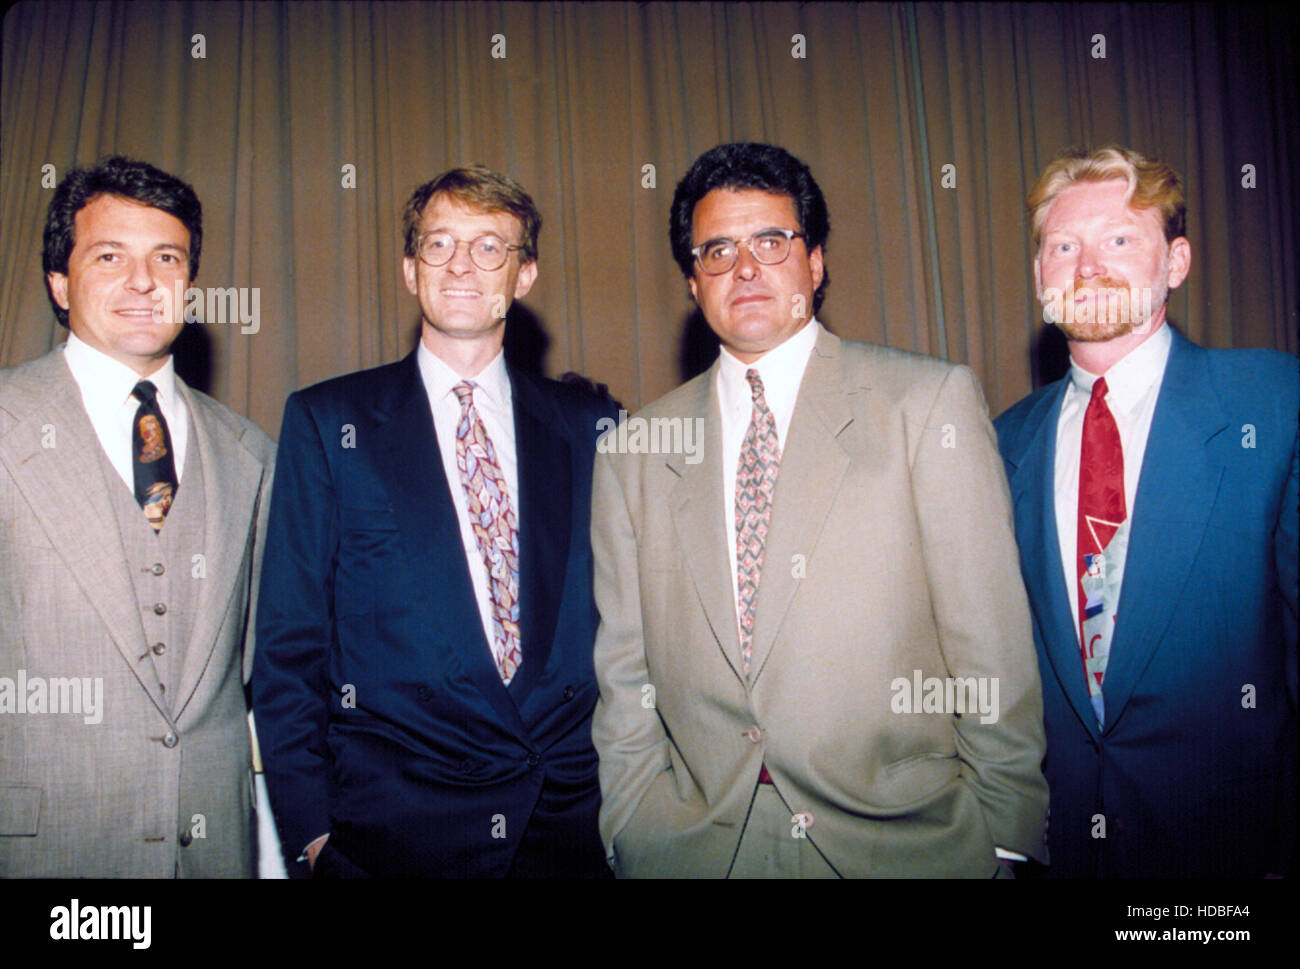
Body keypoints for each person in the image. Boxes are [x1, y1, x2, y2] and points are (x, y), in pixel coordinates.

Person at [590, 142, 1049, 877]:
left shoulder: (925, 405)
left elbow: (988, 643)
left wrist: (1002, 837)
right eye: (717, 250)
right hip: (695, 848)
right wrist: (630, 829)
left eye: (771, 241)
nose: (745, 267)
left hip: (904, 845)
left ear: (816, 262)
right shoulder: (634, 451)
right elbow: (623, 675)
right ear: (692, 280)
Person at [253, 166, 617, 877]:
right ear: (409, 269)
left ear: (525, 274)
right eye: (439, 244)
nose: (460, 266)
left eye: (489, 247)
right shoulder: (329, 423)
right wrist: (314, 839)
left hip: (568, 832)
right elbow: (288, 647)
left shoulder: (593, 428)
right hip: (389, 840)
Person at [995, 146, 1298, 877]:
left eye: (1120, 239)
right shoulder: (1000, 441)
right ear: (1040, 273)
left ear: (1177, 261)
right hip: (1064, 848)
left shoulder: (1274, 403)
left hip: (1237, 853)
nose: (1088, 266)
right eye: (1064, 245)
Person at [0, 156, 275, 877]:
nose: (143, 280)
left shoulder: (252, 452)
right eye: (109, 255)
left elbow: (267, 664)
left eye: (167, 257)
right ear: (60, 282)